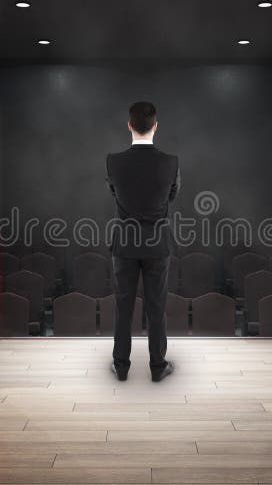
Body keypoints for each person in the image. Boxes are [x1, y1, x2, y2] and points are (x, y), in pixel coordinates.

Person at [105, 101, 180, 382]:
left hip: (124, 244)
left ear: (129, 125)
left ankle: (121, 366)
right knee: (156, 306)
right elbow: (171, 195)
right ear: (155, 125)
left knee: (123, 305)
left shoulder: (113, 161)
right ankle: (157, 367)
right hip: (157, 244)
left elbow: (115, 192)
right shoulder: (171, 162)